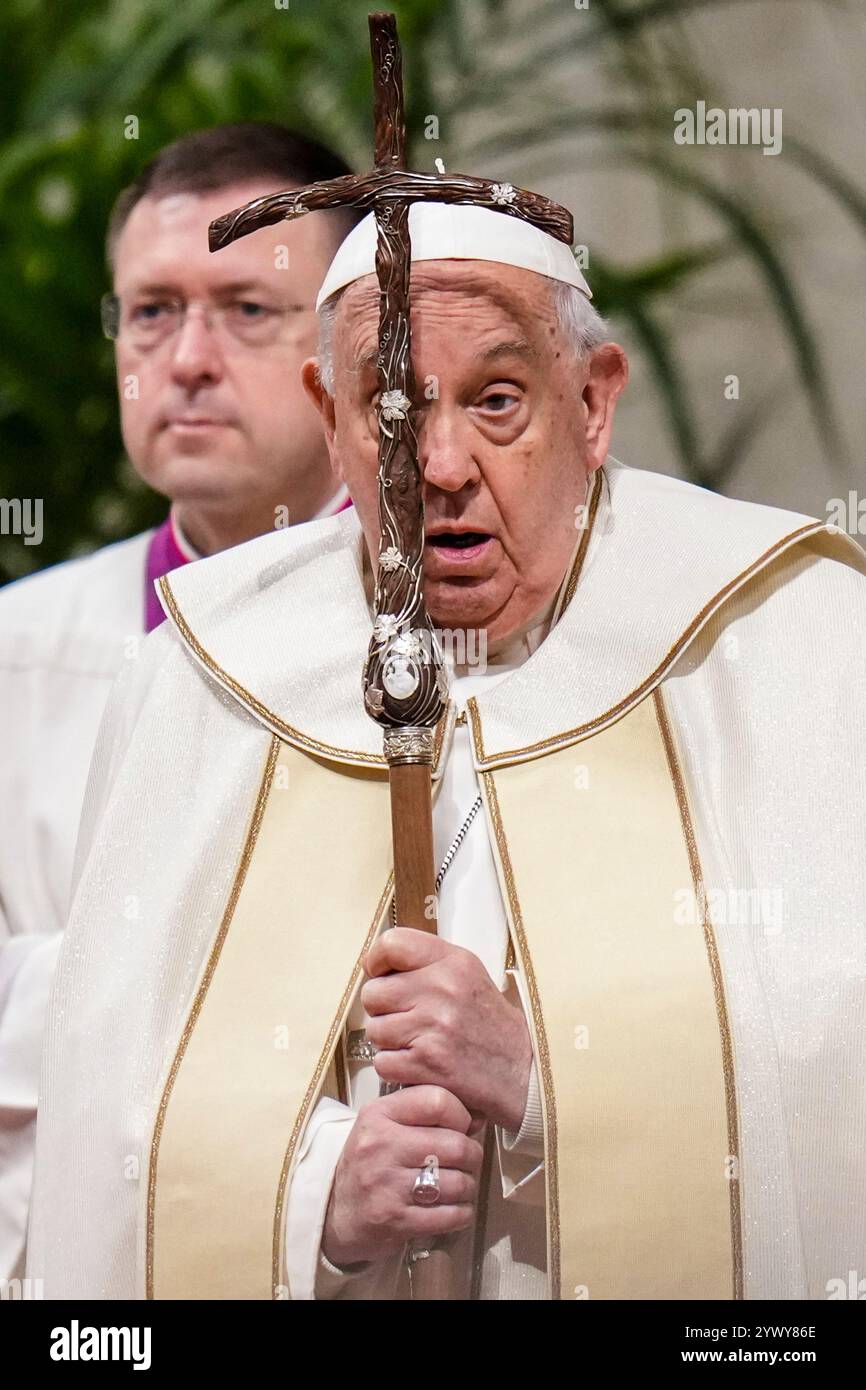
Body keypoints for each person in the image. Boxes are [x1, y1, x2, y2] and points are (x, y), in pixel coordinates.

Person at [27, 201, 866, 1301]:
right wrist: (313, 1200)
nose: (442, 463)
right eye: (389, 408)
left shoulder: (784, 639)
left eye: (498, 400)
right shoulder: (201, 677)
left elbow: (836, 1063)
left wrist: (546, 1077)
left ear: (594, 400)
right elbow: (105, 1115)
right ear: (328, 416)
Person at [0, 121, 358, 1280]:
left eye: (248, 310)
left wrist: (76, 989)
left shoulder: (457, 632)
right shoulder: (19, 649)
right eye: (152, 311)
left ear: (360, 345)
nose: (188, 358)